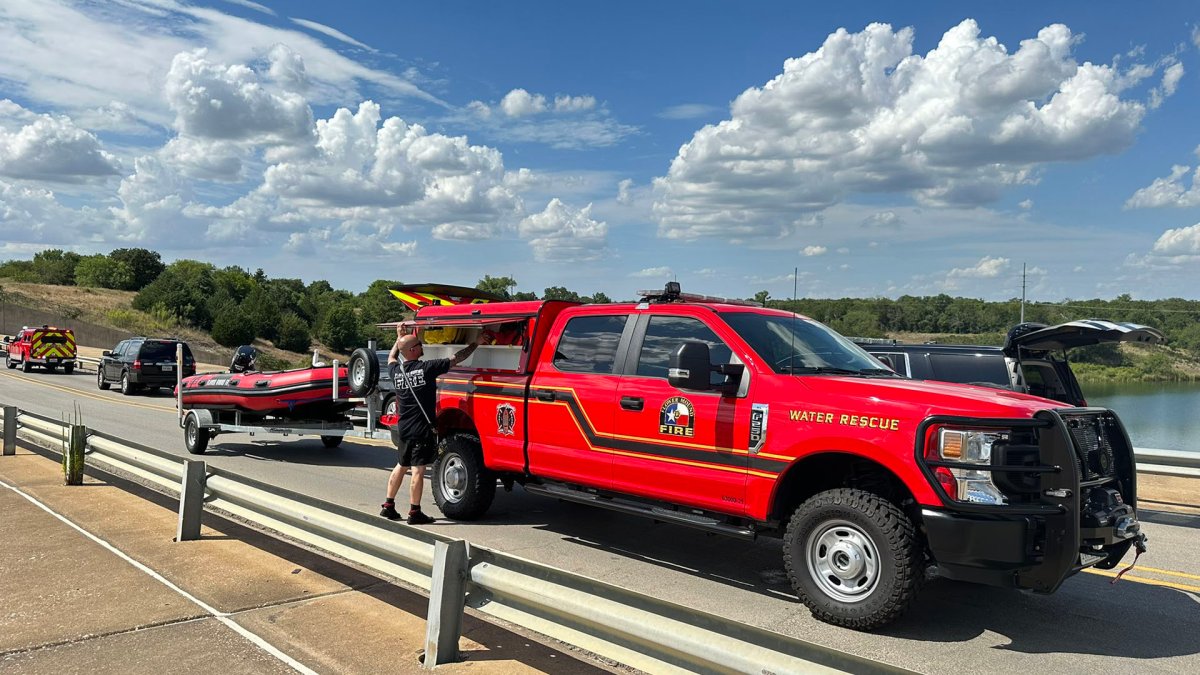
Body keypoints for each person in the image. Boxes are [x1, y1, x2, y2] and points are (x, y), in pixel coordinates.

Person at [380, 329, 490, 524]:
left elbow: (391, 356)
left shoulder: (396, 371)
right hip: (420, 428)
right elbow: (456, 358)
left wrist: (399, 339)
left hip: (404, 427)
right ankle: (415, 512)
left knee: (401, 465)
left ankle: (388, 506)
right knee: (418, 470)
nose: (423, 347)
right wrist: (476, 343)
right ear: (413, 350)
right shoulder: (426, 368)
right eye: (420, 345)